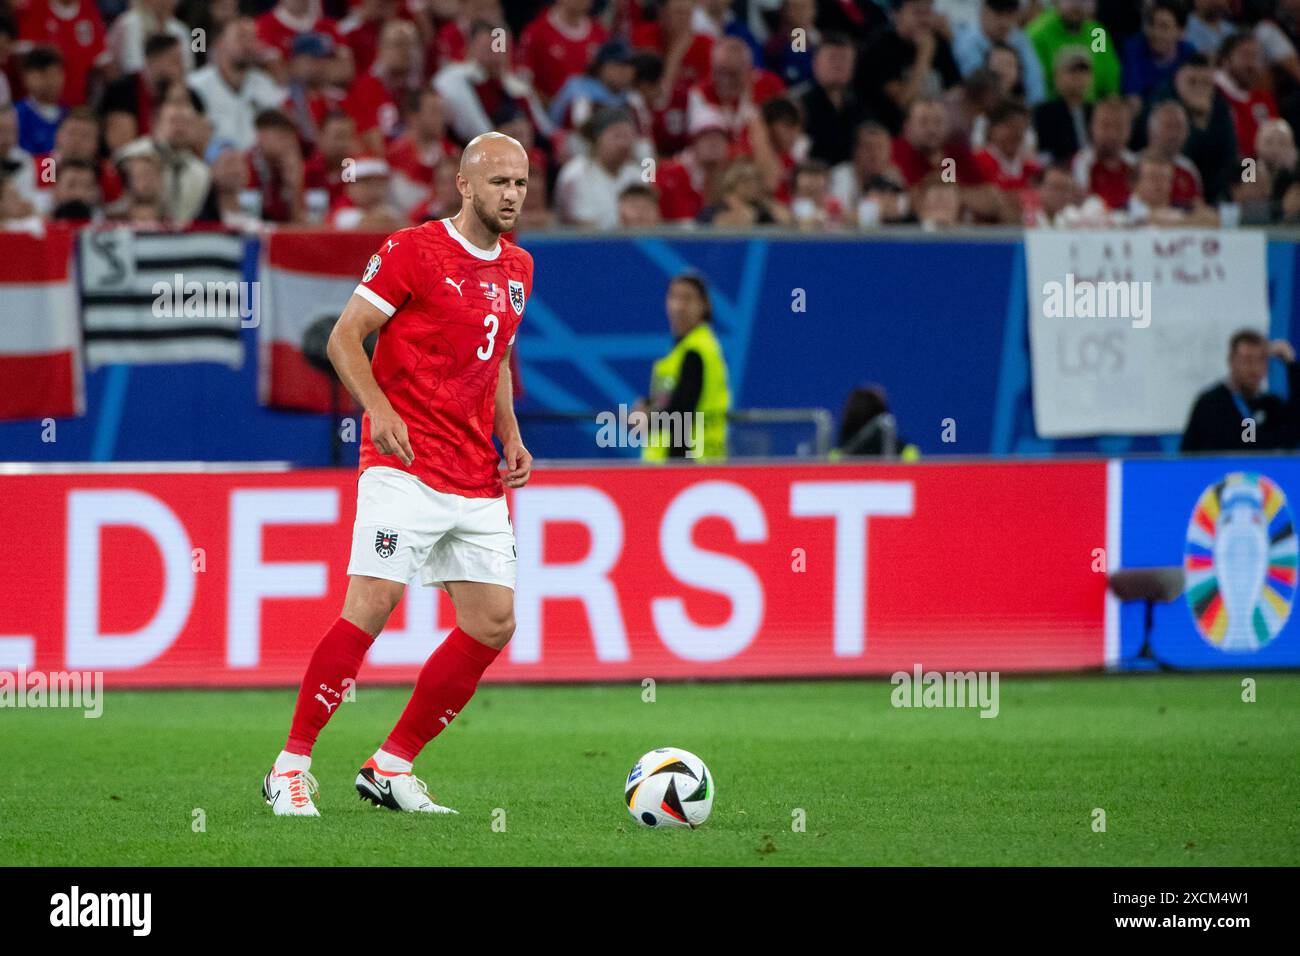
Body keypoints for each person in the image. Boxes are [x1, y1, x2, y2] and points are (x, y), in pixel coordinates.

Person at [263, 132, 534, 816]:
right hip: (404, 465)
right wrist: (377, 408)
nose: (511, 194)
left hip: (475, 476)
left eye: (521, 183)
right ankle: (290, 766)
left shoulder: (520, 268)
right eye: (498, 181)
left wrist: (511, 434)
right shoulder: (413, 250)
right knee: (372, 605)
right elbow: (343, 336)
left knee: (493, 622)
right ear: (464, 184)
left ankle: (391, 765)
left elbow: (496, 359)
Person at [641, 272, 730, 461]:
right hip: (684, 465)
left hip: (687, 463)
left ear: (705, 306)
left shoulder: (696, 352)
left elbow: (681, 414)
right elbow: (671, 399)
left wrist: (645, 419)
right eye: (673, 297)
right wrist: (649, 405)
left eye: (687, 298)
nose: (678, 306)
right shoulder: (683, 351)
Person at [1181, 330, 1300, 452]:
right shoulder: (1209, 404)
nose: (1254, 368)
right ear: (1231, 361)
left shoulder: (1270, 405)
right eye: (1247, 360)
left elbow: (1293, 432)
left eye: (1260, 360)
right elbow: (1188, 457)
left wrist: (1291, 364)